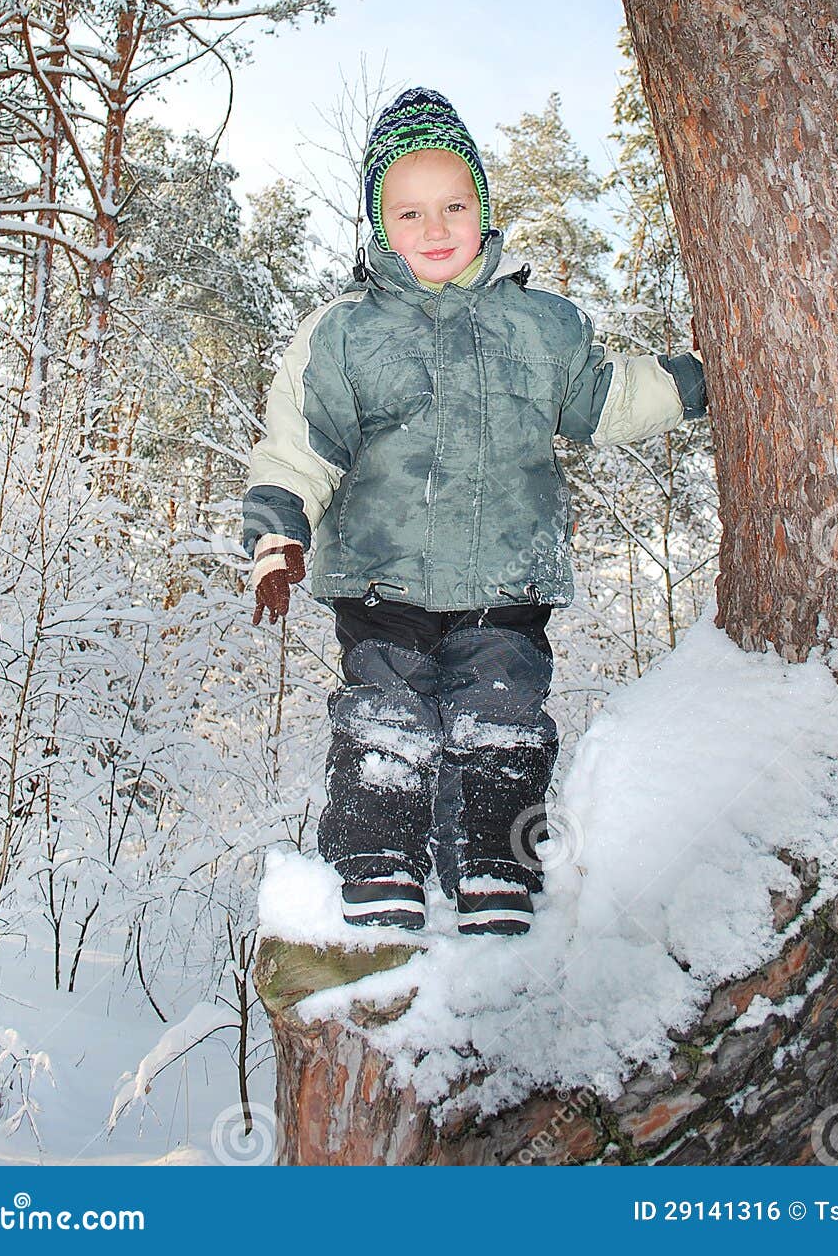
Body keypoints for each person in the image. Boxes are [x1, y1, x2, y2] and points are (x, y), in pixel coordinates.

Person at [242, 86, 707, 937]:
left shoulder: (540, 324)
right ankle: (377, 865)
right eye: (410, 211)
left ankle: (495, 864)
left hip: (506, 574)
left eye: (454, 204)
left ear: (484, 208)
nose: (435, 227)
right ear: (380, 223)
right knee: (387, 710)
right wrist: (278, 531)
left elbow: (604, 399)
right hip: (383, 578)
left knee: (503, 716)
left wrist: (694, 380)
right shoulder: (345, 331)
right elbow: (300, 442)